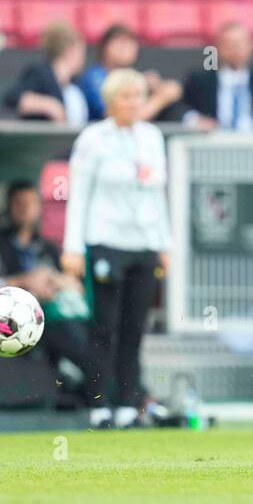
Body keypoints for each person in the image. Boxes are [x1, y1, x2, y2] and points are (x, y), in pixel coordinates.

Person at [61, 70, 171, 430]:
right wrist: (73, 248)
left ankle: (128, 402)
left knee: (134, 328)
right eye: (125, 96)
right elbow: (79, 195)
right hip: (105, 239)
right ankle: (99, 403)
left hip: (144, 243)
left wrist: (164, 244)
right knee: (103, 326)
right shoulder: (93, 139)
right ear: (110, 102)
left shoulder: (152, 137)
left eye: (138, 95)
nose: (133, 103)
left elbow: (158, 195)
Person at [0, 181, 110, 426]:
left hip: (53, 315)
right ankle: (101, 403)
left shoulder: (48, 247)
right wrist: (25, 282)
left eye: (30, 203)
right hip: (12, 321)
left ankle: (112, 400)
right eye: (19, 203)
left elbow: (75, 285)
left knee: (96, 337)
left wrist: (51, 280)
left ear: (39, 208)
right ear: (9, 207)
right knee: (75, 339)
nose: (25, 209)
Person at [180, 21, 253, 130]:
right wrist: (194, 119)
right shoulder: (200, 80)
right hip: (213, 141)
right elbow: (180, 109)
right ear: (217, 47)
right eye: (229, 43)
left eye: (240, 43)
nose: (235, 49)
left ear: (250, 47)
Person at [79, 24, 184, 124]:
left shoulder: (134, 78)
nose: (126, 47)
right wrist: (161, 98)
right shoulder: (96, 77)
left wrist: (155, 88)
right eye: (120, 41)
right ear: (105, 46)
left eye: (131, 42)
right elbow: (118, 116)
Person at [5, 22, 89, 125]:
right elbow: (14, 99)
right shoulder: (41, 74)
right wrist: (50, 105)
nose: (83, 59)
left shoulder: (75, 84)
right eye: (81, 52)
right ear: (70, 51)